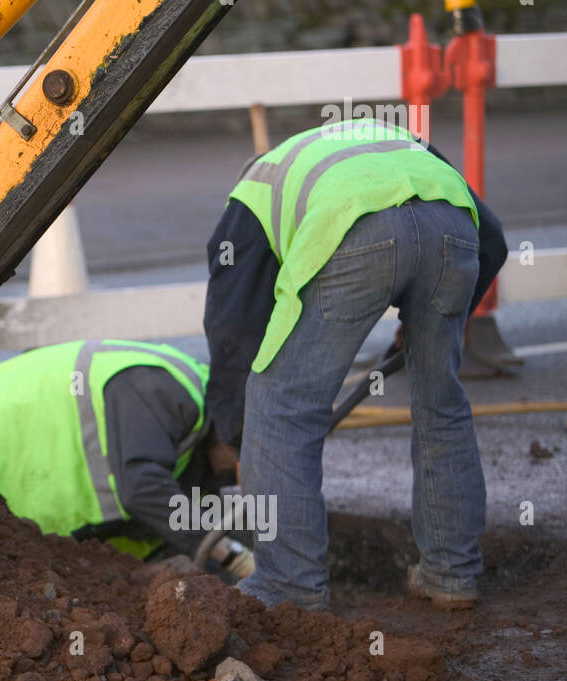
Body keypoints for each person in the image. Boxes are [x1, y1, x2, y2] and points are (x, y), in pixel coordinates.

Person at [203, 117, 507, 611]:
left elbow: (234, 332)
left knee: (282, 410)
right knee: (442, 406)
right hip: (452, 230)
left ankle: (289, 589)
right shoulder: (396, 142)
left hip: (352, 229)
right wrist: (429, 323)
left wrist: (240, 433)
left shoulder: (251, 195)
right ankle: (451, 574)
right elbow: (492, 239)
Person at [0, 338, 252, 575]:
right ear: (229, 427)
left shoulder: (201, 428)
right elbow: (143, 487)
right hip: (2, 434)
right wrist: (230, 556)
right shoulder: (169, 393)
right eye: (241, 457)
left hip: (40, 470)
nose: (237, 472)